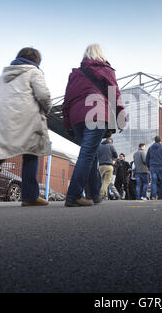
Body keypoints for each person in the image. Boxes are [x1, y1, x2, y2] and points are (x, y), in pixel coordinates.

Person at [62, 44, 126, 207]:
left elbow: (67, 100)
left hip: (77, 118)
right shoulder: (105, 69)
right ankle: (73, 195)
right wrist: (120, 118)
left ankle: (94, 194)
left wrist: (68, 123)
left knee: (90, 154)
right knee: (87, 154)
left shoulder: (75, 74)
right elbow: (114, 94)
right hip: (96, 114)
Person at [0, 47, 51, 206]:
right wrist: (47, 107)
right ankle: (30, 197)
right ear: (37, 61)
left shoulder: (4, 75)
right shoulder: (34, 72)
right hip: (26, 120)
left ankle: (30, 196)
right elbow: (43, 95)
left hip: (3, 120)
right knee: (31, 154)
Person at [146, 136, 162, 200]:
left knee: (153, 181)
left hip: (152, 167)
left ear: (154, 140)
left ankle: (153, 196)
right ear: (161, 140)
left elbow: (147, 158)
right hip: (161, 166)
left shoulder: (150, 148)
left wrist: (148, 166)